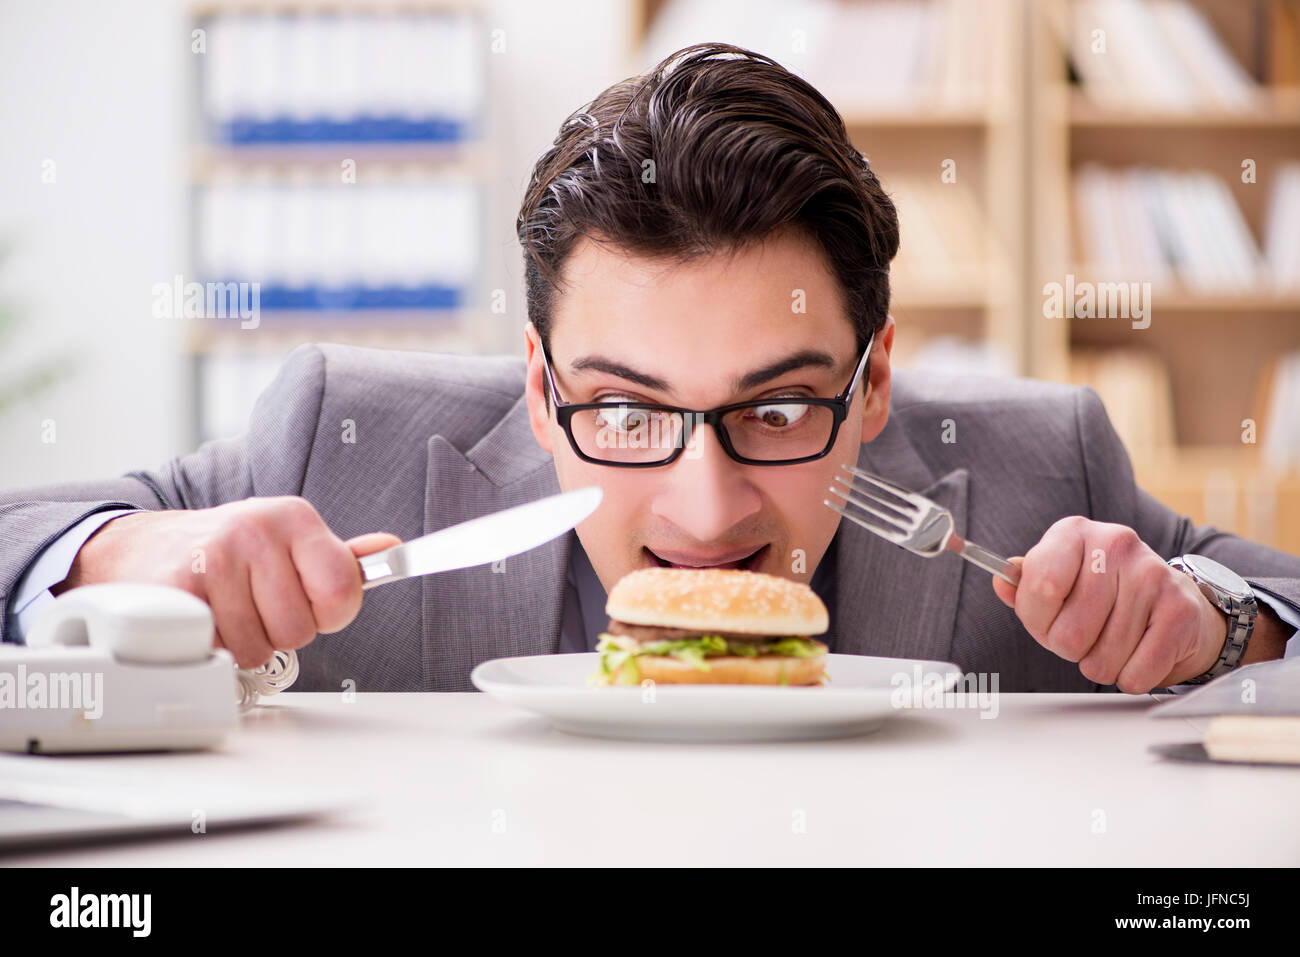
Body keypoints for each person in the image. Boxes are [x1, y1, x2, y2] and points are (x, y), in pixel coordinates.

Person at [2, 43, 1296, 693]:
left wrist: (1218, 621)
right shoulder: (341, 440)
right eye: (622, 409)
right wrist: (121, 557)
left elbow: (1276, 601)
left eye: (781, 405)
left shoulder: (1038, 467)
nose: (706, 508)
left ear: (879, 377)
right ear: (535, 378)